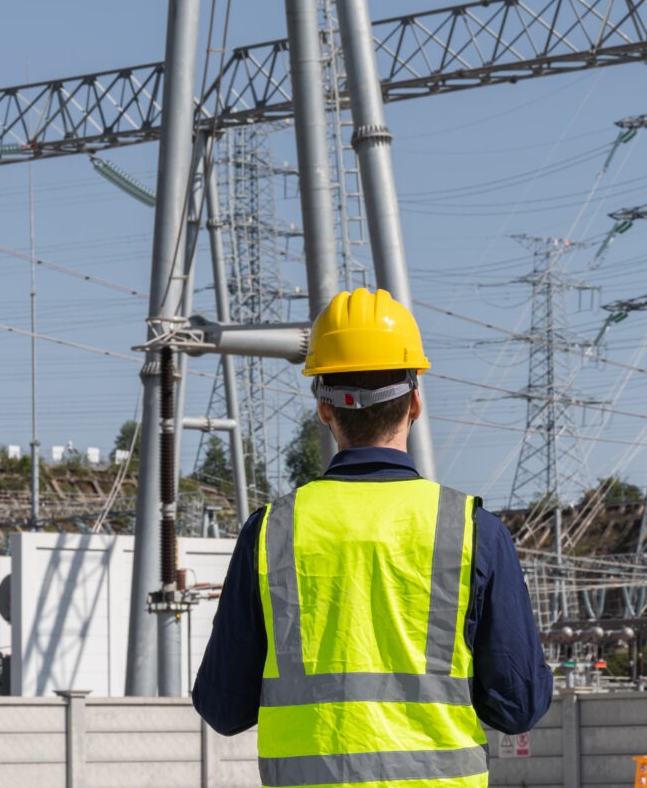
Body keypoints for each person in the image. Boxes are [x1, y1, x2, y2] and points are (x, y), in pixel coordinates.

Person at [193, 287, 552, 787]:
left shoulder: (272, 531)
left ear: (324, 409)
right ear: (416, 403)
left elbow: (221, 707)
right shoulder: (472, 532)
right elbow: (519, 706)